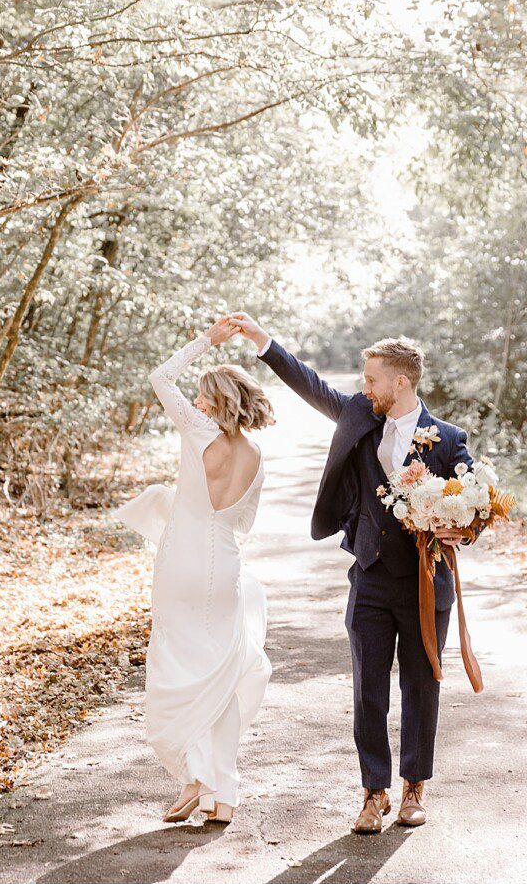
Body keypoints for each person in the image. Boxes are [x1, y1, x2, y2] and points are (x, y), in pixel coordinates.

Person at [226, 312, 473, 834]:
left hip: (426, 585)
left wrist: (462, 531)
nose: (365, 388)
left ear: (400, 382)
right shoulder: (360, 415)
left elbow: (475, 505)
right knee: (368, 690)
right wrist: (262, 340)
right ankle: (373, 792)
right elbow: (310, 384)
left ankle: (414, 788)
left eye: (372, 379)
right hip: (369, 576)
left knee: (421, 687)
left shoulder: (449, 439)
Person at [117, 315, 276, 825]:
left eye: (204, 396)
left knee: (175, 668)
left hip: (181, 561)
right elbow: (243, 523)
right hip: (223, 568)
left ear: (216, 400)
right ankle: (220, 795)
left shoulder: (197, 432)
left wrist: (208, 340)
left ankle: (193, 774)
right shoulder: (256, 456)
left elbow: (160, 376)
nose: (199, 403)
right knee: (220, 679)